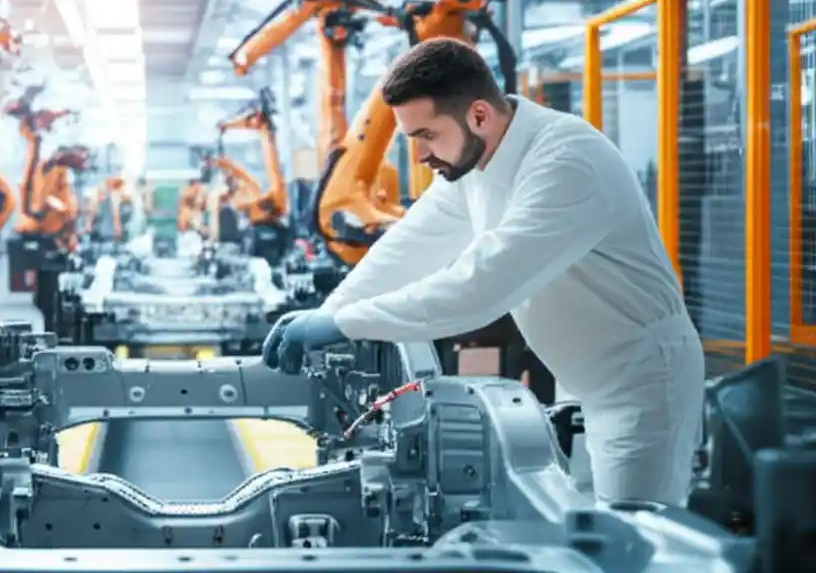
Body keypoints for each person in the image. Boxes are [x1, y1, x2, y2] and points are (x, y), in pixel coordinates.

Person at [262, 37, 705, 506]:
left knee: (629, 543)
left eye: (427, 136)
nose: (420, 156)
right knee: (584, 536)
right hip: (586, 378)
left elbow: (480, 286)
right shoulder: (476, 161)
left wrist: (342, 324)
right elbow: (414, 243)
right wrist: (332, 311)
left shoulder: (566, 161)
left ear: (478, 115)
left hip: (642, 385)